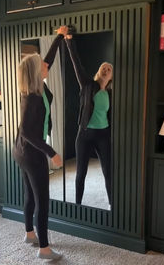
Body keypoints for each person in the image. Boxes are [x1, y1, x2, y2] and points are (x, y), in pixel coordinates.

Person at [12, 26, 68, 260]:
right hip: (30, 152)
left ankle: (29, 234)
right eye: (43, 65)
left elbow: (49, 59)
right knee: (42, 200)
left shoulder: (38, 86)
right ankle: (44, 249)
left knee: (30, 195)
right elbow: (25, 131)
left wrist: (59, 37)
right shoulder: (31, 97)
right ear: (38, 72)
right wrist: (51, 152)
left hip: (24, 151)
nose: (47, 65)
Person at [65, 34, 113, 210]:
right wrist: (69, 41)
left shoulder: (110, 93)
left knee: (108, 172)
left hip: (103, 134)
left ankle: (111, 204)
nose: (106, 69)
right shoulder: (87, 85)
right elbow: (77, 64)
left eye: (109, 68)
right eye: (104, 67)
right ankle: (78, 205)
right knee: (80, 173)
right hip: (85, 134)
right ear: (99, 71)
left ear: (112, 75)